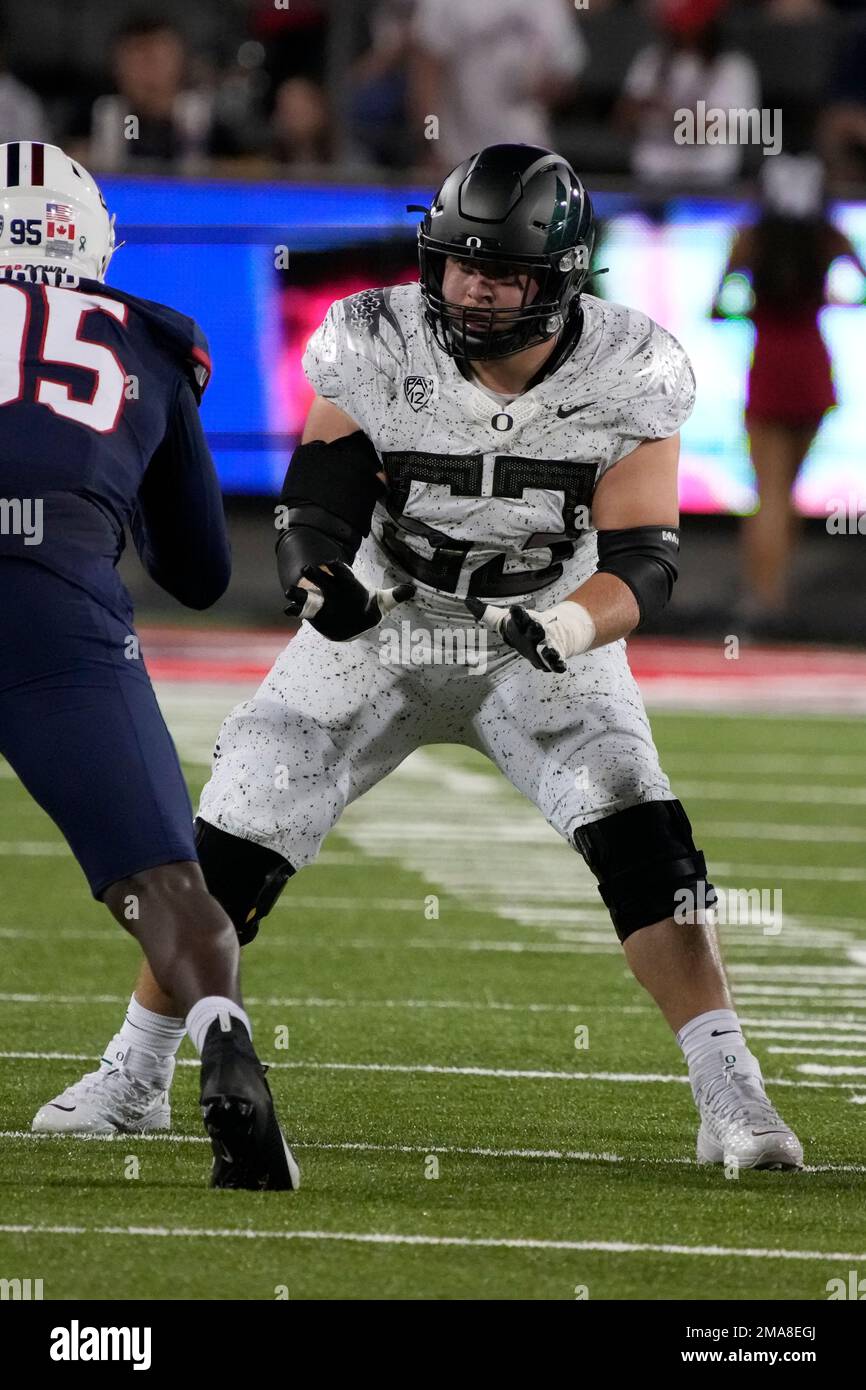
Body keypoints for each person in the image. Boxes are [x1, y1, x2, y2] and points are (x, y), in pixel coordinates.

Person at [35, 143, 802, 1173]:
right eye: (457, 263)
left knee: (645, 842)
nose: (471, 288)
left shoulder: (631, 365)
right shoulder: (372, 334)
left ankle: (731, 1094)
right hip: (387, 626)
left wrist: (568, 627)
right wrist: (319, 581)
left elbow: (642, 562)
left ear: (561, 278)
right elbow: (318, 500)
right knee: (230, 838)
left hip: (542, 628)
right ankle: (134, 1075)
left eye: (501, 271)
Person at [0, 141, 298, 1190]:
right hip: (56, 602)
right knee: (166, 883)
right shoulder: (150, 341)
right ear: (89, 240)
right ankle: (219, 1036)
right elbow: (204, 573)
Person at [713, 153, 866, 633]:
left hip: (771, 368)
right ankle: (773, 595)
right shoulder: (829, 238)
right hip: (812, 368)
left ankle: (764, 598)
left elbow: (717, 306)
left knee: (769, 493)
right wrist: (826, 299)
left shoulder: (749, 240)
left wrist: (751, 312)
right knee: (787, 492)